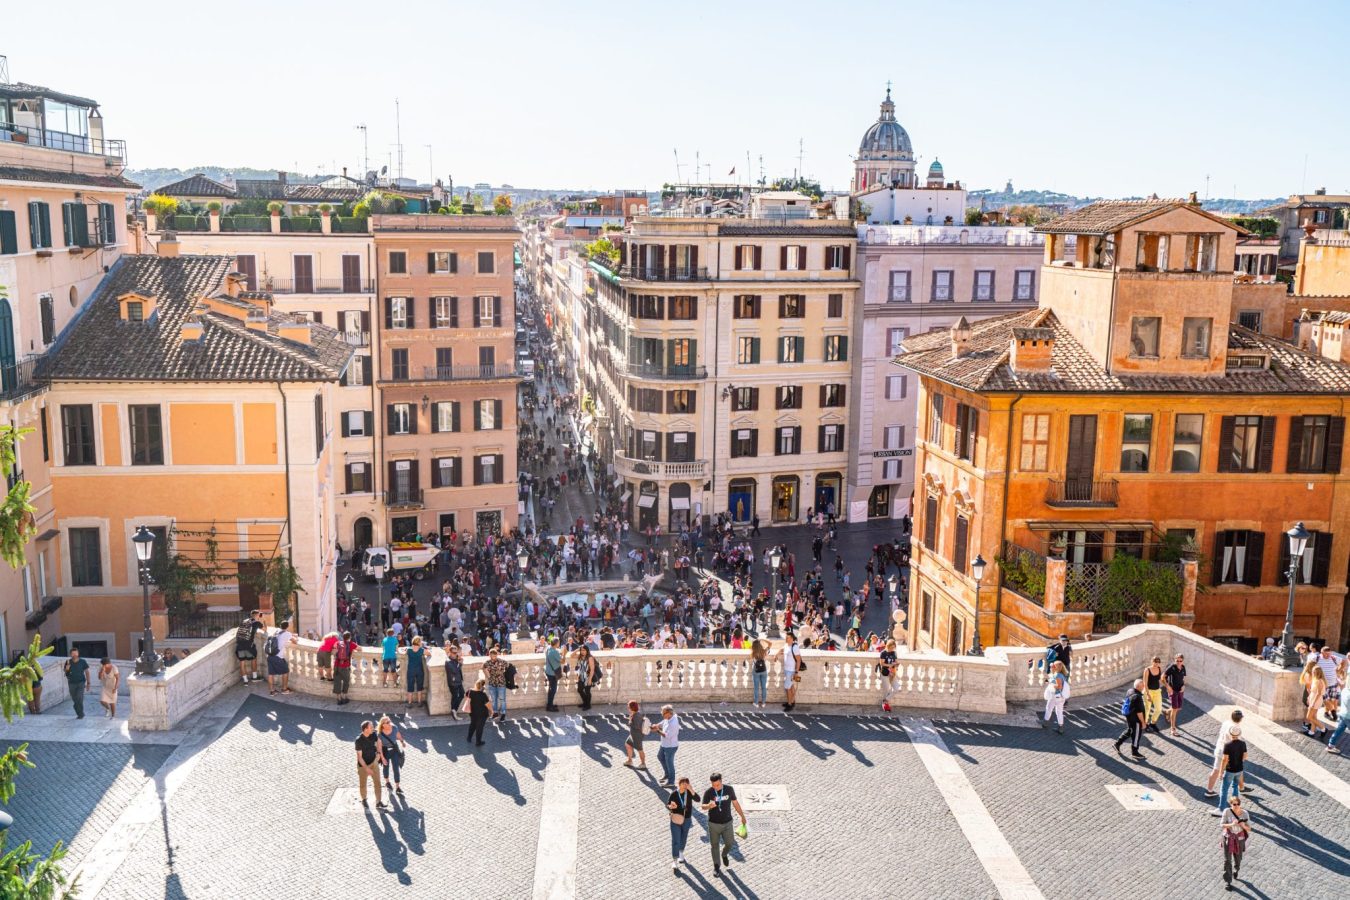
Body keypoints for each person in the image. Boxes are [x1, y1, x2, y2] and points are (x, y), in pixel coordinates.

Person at [700, 773, 747, 878]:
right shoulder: (709, 792)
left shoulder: (729, 789)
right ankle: (716, 866)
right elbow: (703, 806)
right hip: (713, 824)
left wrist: (742, 816)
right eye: (713, 785)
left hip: (727, 822)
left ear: (721, 781)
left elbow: (735, 803)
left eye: (717, 785)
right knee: (714, 845)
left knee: (730, 843)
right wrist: (708, 806)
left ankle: (724, 854)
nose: (715, 787)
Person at [1206, 709, 1245, 796]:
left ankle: (1209, 790)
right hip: (1229, 752)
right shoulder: (1236, 728)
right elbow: (1235, 741)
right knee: (1238, 769)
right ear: (1240, 719)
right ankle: (1242, 788)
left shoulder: (1226, 722)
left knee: (1215, 770)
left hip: (1219, 748)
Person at [1220, 793, 1251, 890]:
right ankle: (1228, 881)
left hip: (1240, 839)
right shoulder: (1227, 811)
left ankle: (1236, 869)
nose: (1236, 806)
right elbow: (1222, 825)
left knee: (1238, 859)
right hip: (1228, 838)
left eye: (1238, 804)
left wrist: (1243, 825)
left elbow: (1249, 829)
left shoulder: (1245, 813)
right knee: (1227, 860)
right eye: (1234, 804)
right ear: (1231, 804)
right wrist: (1231, 824)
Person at [355, 720, 388, 810]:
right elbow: (359, 757)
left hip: (374, 762)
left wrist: (378, 753)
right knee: (363, 784)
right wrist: (366, 769)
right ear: (365, 729)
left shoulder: (373, 734)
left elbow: (379, 742)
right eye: (371, 727)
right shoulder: (359, 740)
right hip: (363, 766)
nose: (373, 728)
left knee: (377, 782)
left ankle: (378, 801)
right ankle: (364, 800)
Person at [1214, 725, 1246, 816]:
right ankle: (1236, 808)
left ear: (1230, 734)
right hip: (1239, 769)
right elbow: (1245, 756)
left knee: (1224, 789)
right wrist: (1239, 760)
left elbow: (1225, 759)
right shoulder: (1243, 743)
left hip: (1230, 770)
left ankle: (1221, 808)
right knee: (1235, 787)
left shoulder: (1227, 745)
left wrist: (1220, 772)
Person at [667, 776, 695, 873]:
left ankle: (681, 852)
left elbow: (698, 799)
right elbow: (668, 805)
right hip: (675, 820)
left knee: (684, 837)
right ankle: (674, 860)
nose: (684, 785)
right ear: (679, 784)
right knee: (676, 840)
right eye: (683, 783)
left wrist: (692, 790)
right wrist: (671, 806)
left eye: (686, 783)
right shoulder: (674, 794)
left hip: (686, 819)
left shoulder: (689, 793)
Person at [1113, 678, 1146, 759]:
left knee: (1130, 730)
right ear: (1138, 686)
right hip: (1136, 719)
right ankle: (1135, 752)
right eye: (1142, 685)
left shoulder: (1130, 691)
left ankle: (1117, 744)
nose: (1144, 686)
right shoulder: (1137, 697)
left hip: (1129, 717)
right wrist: (1143, 722)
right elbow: (1139, 712)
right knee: (1136, 735)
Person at [378, 715, 408, 797]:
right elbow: (379, 746)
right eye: (387, 722)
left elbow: (398, 735)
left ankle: (397, 787)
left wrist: (402, 742)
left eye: (390, 721)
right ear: (383, 724)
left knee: (396, 768)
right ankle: (387, 782)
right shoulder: (380, 734)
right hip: (385, 751)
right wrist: (382, 757)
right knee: (386, 767)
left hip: (394, 750)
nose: (390, 723)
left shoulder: (394, 728)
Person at [652, 704, 681, 788]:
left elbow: (666, 735)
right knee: (660, 756)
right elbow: (663, 722)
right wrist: (657, 725)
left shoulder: (673, 724)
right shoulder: (670, 717)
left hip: (671, 746)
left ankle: (671, 781)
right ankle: (667, 774)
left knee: (669, 763)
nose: (662, 714)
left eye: (663, 713)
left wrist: (657, 730)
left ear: (668, 713)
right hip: (664, 744)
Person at [1040, 660, 1070, 733]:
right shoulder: (1062, 675)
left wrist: (1051, 683)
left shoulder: (1057, 675)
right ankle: (1061, 728)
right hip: (1061, 697)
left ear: (1056, 667)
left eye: (1053, 666)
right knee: (1059, 712)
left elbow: (1059, 686)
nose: (1052, 666)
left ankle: (1045, 723)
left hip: (1055, 696)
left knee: (1049, 708)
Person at [463, 675, 493, 746]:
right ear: (483, 686)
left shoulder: (470, 691)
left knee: (472, 725)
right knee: (479, 727)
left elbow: (465, 696)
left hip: (472, 712)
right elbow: (488, 705)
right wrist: (492, 711)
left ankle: (469, 738)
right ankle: (478, 742)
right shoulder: (483, 694)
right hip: (482, 714)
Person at [265, 621, 294, 696]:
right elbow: (295, 641)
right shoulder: (287, 634)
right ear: (287, 627)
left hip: (270, 655)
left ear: (280, 626)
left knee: (271, 674)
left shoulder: (276, 631)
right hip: (278, 657)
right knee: (285, 672)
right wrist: (295, 637)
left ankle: (272, 691)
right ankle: (284, 689)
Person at [1301, 657, 1327, 737]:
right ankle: (1311, 732)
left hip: (1316, 700)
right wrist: (1309, 698)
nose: (1312, 673)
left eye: (1314, 672)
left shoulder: (1319, 681)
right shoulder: (1316, 680)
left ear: (1318, 673)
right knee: (1313, 717)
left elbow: (1318, 694)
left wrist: (1312, 703)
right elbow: (1312, 691)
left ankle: (1323, 728)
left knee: (1309, 717)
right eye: (1313, 671)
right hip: (1313, 699)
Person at [234, 615, 262, 686]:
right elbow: (264, 629)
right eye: (259, 615)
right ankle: (254, 677)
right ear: (257, 616)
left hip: (239, 645)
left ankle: (245, 681)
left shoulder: (244, 622)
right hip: (249, 646)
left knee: (242, 663)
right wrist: (263, 621)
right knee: (254, 659)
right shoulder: (256, 622)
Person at [483, 647, 509, 721]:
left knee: (502, 699)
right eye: (492, 656)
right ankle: (495, 713)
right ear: (490, 655)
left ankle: (503, 713)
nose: (494, 657)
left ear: (497, 655)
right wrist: (488, 676)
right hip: (492, 683)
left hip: (501, 683)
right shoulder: (487, 662)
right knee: (494, 700)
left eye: (495, 656)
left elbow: (508, 666)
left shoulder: (501, 661)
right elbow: (483, 668)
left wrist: (505, 674)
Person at [332, 631, 357, 705]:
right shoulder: (351, 644)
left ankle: (339, 699)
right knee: (346, 681)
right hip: (345, 666)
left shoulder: (338, 643)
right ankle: (345, 697)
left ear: (343, 637)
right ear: (349, 637)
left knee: (337, 682)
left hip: (337, 665)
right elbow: (360, 649)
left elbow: (334, 647)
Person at [64, 649, 91, 719]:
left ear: (78, 654)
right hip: (71, 683)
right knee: (75, 699)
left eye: (76, 653)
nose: (74, 655)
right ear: (71, 654)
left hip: (81, 682)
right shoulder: (68, 662)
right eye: (73, 653)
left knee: (79, 698)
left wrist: (88, 683)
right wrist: (67, 669)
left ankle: (80, 714)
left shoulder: (83, 661)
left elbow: (87, 672)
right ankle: (76, 707)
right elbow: (66, 674)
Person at [779, 631, 803, 712]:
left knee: (787, 688)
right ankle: (792, 702)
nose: (786, 639)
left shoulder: (795, 647)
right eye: (786, 637)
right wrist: (776, 654)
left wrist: (796, 672)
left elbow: (799, 660)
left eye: (788, 638)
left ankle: (789, 704)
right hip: (786, 670)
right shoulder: (786, 645)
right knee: (791, 687)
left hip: (791, 671)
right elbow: (782, 649)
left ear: (792, 639)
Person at [1164, 653, 1186, 736]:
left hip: (1180, 690)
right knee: (1175, 709)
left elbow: (1183, 678)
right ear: (1175, 659)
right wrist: (1168, 687)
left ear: (1182, 661)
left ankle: (1167, 711)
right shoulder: (1172, 667)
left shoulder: (1183, 667)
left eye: (1180, 661)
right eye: (1177, 660)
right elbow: (1162, 677)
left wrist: (1184, 685)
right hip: (1173, 691)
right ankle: (1172, 729)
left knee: (1178, 708)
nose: (1179, 662)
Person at [1142, 656, 1165, 733]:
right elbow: (1145, 683)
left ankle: (1152, 723)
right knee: (1147, 709)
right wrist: (1148, 695)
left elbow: (1158, 680)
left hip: (1157, 691)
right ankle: (1145, 724)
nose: (1156, 663)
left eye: (1158, 662)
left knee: (1158, 709)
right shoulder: (1147, 670)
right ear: (1152, 661)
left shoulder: (1159, 668)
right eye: (1155, 661)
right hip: (1148, 691)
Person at [623, 700, 648, 770]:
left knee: (640, 749)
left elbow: (637, 726)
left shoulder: (636, 715)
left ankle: (643, 764)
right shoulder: (635, 714)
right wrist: (630, 719)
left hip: (637, 736)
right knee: (627, 744)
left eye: (628, 707)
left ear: (631, 708)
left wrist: (630, 722)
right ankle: (630, 760)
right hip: (633, 735)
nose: (628, 708)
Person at [443, 642, 465, 720]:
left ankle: (454, 710)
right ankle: (454, 711)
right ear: (450, 652)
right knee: (455, 696)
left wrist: (459, 659)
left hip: (458, 681)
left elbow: (458, 665)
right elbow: (455, 670)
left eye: (456, 652)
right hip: (453, 683)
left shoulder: (455, 659)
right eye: (454, 652)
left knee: (462, 694)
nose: (455, 654)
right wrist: (460, 664)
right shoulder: (448, 661)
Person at [574, 645, 600, 711]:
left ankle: (588, 705)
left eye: (584, 650)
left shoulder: (590, 658)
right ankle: (585, 703)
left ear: (587, 650)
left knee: (587, 691)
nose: (582, 652)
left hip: (588, 676)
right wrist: (578, 649)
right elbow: (571, 655)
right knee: (579, 690)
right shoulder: (580, 656)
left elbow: (592, 669)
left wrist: (590, 679)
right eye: (581, 650)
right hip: (581, 676)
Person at [405, 636, 427, 708]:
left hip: (411, 670)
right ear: (419, 642)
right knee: (419, 686)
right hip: (419, 670)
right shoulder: (421, 650)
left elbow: (404, 652)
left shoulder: (409, 650)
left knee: (410, 686)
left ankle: (409, 703)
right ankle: (419, 702)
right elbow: (429, 654)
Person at [879, 639, 900, 713]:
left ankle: (885, 701)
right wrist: (890, 665)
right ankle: (885, 704)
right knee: (887, 690)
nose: (892, 649)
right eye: (891, 647)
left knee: (897, 688)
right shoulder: (883, 653)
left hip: (893, 673)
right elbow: (882, 663)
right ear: (888, 646)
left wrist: (897, 664)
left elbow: (896, 661)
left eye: (894, 647)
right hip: (885, 673)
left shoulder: (894, 653)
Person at [544, 636, 563, 711]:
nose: (559, 644)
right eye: (558, 642)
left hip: (549, 671)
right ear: (556, 643)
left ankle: (550, 704)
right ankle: (549, 707)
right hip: (553, 673)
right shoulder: (554, 652)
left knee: (551, 689)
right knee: (553, 690)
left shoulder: (548, 648)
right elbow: (563, 661)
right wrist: (564, 653)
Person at [749, 639, 769, 709]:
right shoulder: (764, 651)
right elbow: (770, 644)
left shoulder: (753, 653)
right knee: (764, 687)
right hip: (764, 670)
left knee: (756, 688)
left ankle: (756, 703)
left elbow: (750, 648)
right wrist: (763, 640)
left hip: (756, 671)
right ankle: (763, 703)